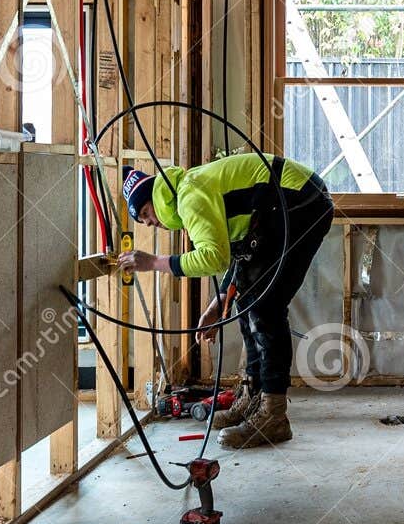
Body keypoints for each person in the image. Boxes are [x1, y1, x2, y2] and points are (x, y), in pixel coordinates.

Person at [119, 153, 334, 448]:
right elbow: (239, 253)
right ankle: (253, 397)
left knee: (265, 306)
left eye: (145, 213)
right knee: (249, 302)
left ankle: (274, 415)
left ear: (156, 196)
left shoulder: (189, 195)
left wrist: (155, 262)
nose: (149, 223)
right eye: (143, 220)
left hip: (300, 200)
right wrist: (218, 304)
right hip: (290, 201)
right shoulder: (190, 190)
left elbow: (214, 257)